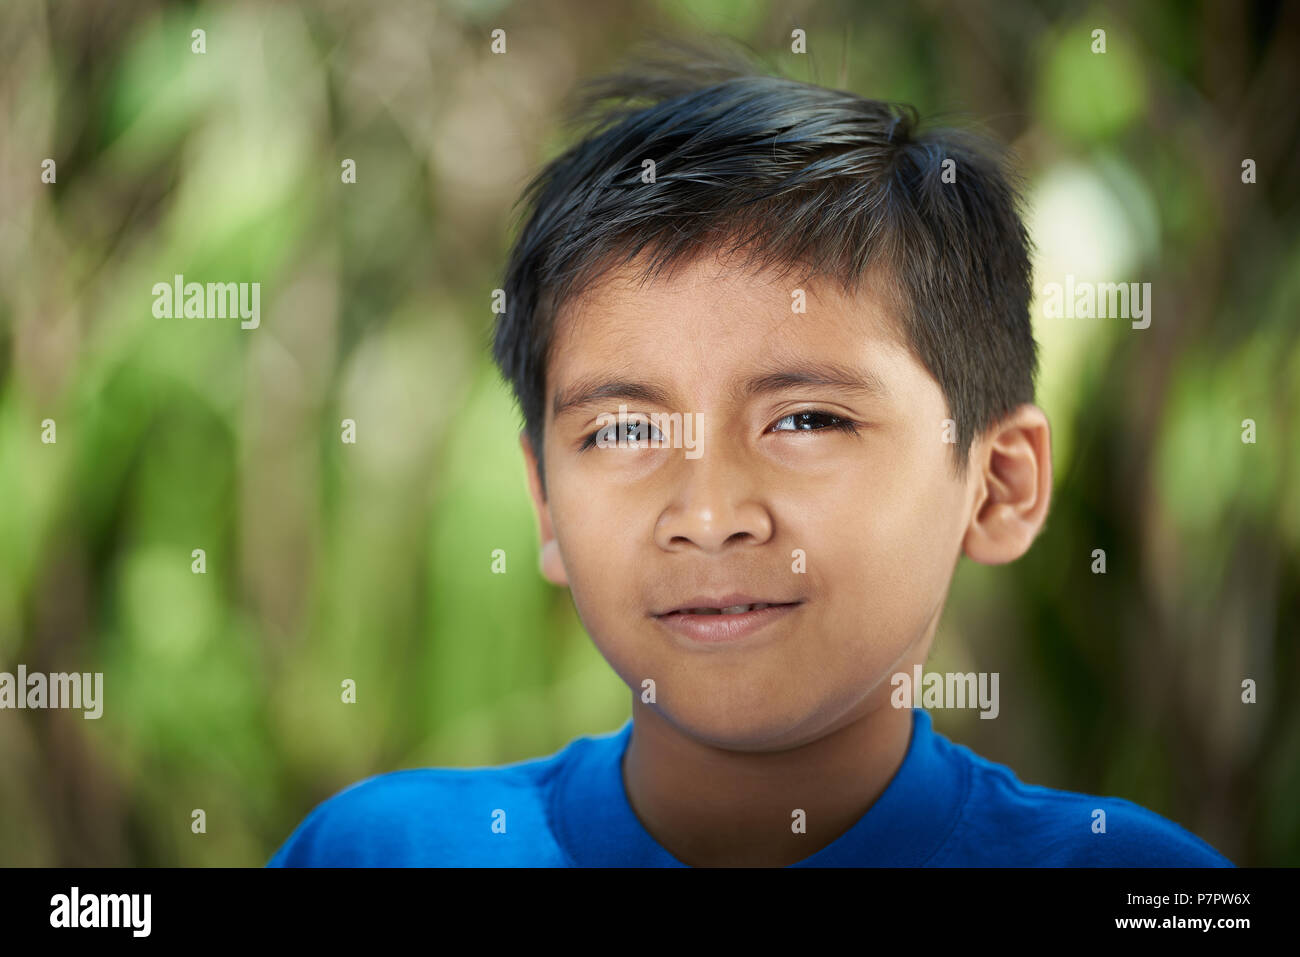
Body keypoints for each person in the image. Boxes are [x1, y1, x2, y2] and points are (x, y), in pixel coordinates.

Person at [269, 39, 1232, 868]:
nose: (711, 509)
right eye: (625, 431)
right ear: (547, 504)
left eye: (807, 420)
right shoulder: (382, 851)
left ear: (998, 484)